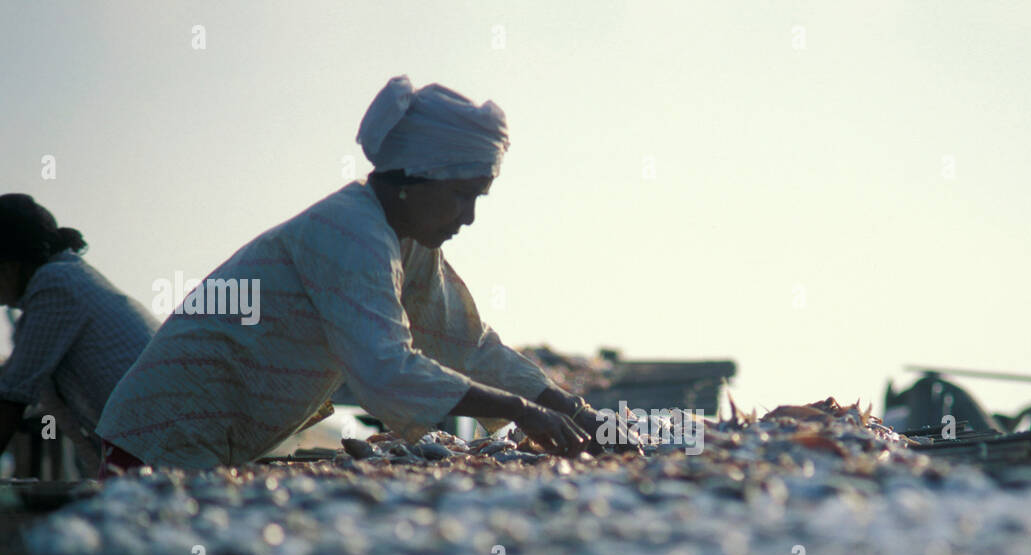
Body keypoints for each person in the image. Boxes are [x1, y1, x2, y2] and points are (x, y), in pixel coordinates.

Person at [97, 76, 629, 471]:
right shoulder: (351, 233)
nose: (468, 217)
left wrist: (569, 408)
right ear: (413, 180)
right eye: (462, 195)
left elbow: (468, 345)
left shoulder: (407, 238)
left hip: (218, 437)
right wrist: (522, 413)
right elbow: (386, 367)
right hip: (163, 433)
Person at [0, 195, 155, 472]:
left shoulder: (56, 283)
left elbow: (12, 397)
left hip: (162, 453)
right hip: (150, 453)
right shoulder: (68, 278)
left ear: (10, 264)